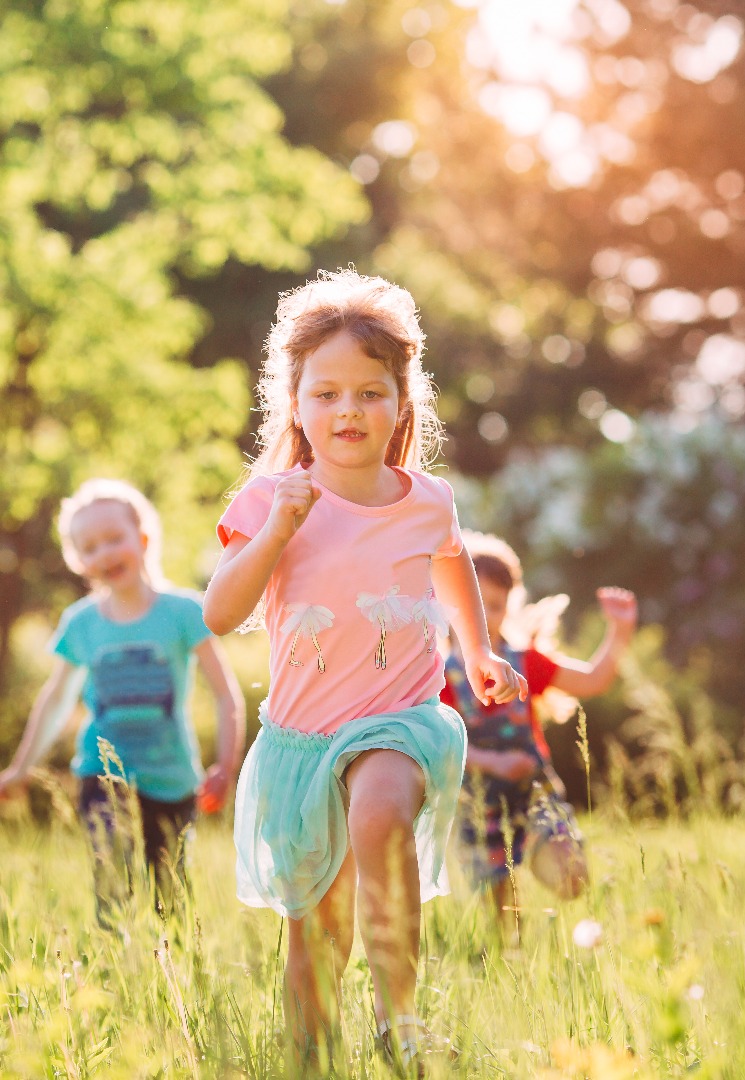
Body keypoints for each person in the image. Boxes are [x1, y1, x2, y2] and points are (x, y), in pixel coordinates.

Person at [202, 269, 526, 1071]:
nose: (349, 411)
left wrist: (478, 649)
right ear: (298, 404)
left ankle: (401, 1020)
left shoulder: (428, 500)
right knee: (319, 931)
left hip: (402, 719)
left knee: (381, 810)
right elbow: (217, 611)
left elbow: (450, 566)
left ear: (402, 402)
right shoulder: (274, 497)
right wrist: (277, 532)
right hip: (304, 741)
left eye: (370, 393)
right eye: (328, 394)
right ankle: (310, 1053)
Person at [0, 479, 244, 919]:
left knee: (170, 896)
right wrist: (20, 768)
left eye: (115, 538)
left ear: (144, 539)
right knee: (112, 873)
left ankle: (170, 976)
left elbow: (225, 694)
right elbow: (54, 701)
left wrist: (226, 766)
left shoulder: (184, 612)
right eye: (90, 547)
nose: (105, 553)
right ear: (79, 562)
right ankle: (116, 968)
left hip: (172, 778)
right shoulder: (82, 624)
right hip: (102, 772)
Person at [440, 531, 637, 927]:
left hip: (533, 791)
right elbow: (444, 745)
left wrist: (619, 631)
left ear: (508, 607)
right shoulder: (439, 676)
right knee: (503, 914)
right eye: (472, 605)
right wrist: (494, 763)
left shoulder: (525, 662)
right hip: (478, 799)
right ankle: (513, 967)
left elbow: (593, 680)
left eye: (493, 606)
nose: (482, 617)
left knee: (572, 878)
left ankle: (537, 852)